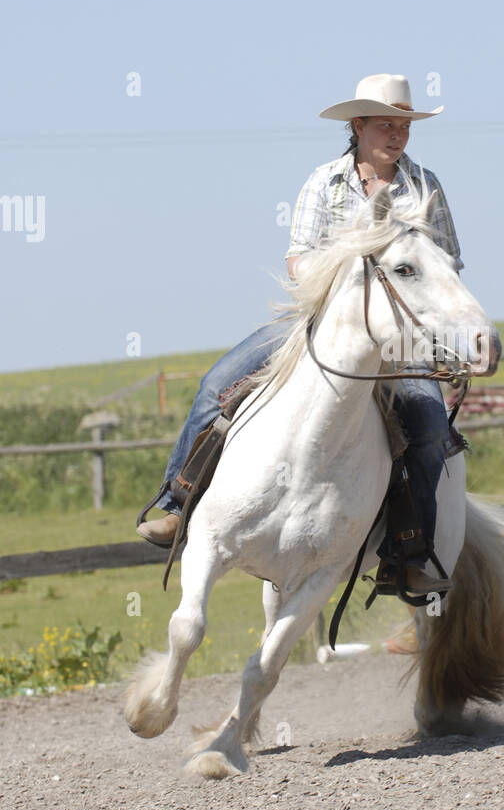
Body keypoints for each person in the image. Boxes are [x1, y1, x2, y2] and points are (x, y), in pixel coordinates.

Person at [137, 73, 464, 599]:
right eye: (386, 124)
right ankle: (179, 505)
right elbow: (297, 261)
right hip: (315, 324)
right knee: (216, 383)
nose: (397, 133)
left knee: (428, 429)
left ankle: (406, 551)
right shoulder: (323, 182)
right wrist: (344, 282)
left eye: (404, 124)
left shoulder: (426, 186)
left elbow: (447, 264)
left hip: (399, 337)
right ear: (357, 126)